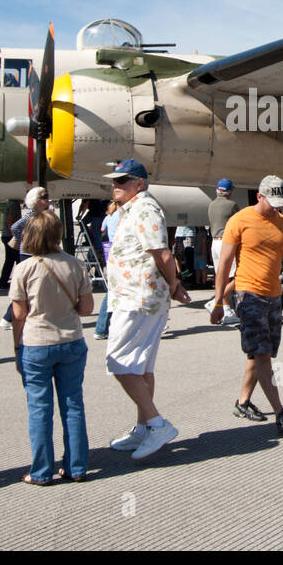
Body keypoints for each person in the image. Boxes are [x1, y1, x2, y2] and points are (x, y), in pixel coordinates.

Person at [210, 175, 283, 432]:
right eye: (272, 203)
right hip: (248, 295)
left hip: (274, 297)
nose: (276, 208)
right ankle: (280, 412)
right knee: (262, 354)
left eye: (279, 203)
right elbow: (224, 264)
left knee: (261, 352)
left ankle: (243, 402)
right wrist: (218, 303)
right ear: (259, 196)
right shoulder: (239, 220)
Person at [103, 159, 192, 461]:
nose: (115, 185)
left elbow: (162, 253)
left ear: (139, 184)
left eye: (122, 180)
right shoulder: (133, 208)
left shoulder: (144, 208)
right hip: (137, 297)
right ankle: (143, 428)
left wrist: (174, 283)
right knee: (141, 367)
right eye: (114, 180)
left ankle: (157, 424)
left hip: (138, 298)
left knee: (119, 363)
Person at [9, 211, 94, 485]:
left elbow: (18, 314)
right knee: (73, 404)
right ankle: (76, 466)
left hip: (37, 342)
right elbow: (87, 308)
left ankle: (41, 470)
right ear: (58, 234)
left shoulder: (24, 269)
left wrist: (16, 348)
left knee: (39, 408)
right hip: (71, 340)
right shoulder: (76, 265)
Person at [0, 187, 51, 330]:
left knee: (31, 289)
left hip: (36, 253)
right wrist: (23, 239)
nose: (47, 199)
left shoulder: (42, 214)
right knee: (27, 289)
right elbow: (15, 227)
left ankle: (13, 318)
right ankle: (8, 318)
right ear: (35, 201)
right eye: (44, 197)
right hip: (29, 254)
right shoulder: (32, 215)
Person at [207, 179, 241, 321]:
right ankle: (217, 300)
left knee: (221, 277)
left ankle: (226, 310)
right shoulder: (232, 205)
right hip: (226, 243)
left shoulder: (211, 205)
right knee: (239, 276)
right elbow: (239, 223)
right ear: (229, 191)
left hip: (214, 243)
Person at [94, 200, 121, 339]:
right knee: (113, 291)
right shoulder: (122, 215)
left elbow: (101, 230)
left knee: (112, 290)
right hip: (120, 254)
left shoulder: (108, 217)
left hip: (110, 251)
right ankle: (102, 327)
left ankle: (102, 328)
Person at [0, 196, 23, 289]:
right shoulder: (14, 205)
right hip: (10, 236)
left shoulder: (12, 204)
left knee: (11, 260)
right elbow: (10, 220)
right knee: (17, 259)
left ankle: (4, 282)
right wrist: (15, 236)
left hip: (7, 235)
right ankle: (16, 282)